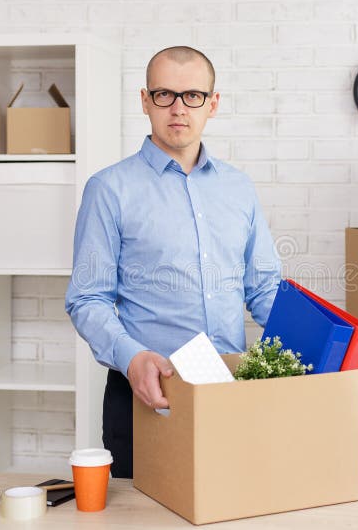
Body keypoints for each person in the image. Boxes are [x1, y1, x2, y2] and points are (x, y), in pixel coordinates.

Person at [65, 46, 281, 478]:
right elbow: (87, 298)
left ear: (213, 103)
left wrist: (313, 344)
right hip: (145, 395)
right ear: (145, 101)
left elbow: (264, 288)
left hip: (229, 393)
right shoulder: (109, 189)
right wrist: (131, 357)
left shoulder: (238, 189)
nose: (179, 108)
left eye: (193, 96)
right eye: (165, 95)